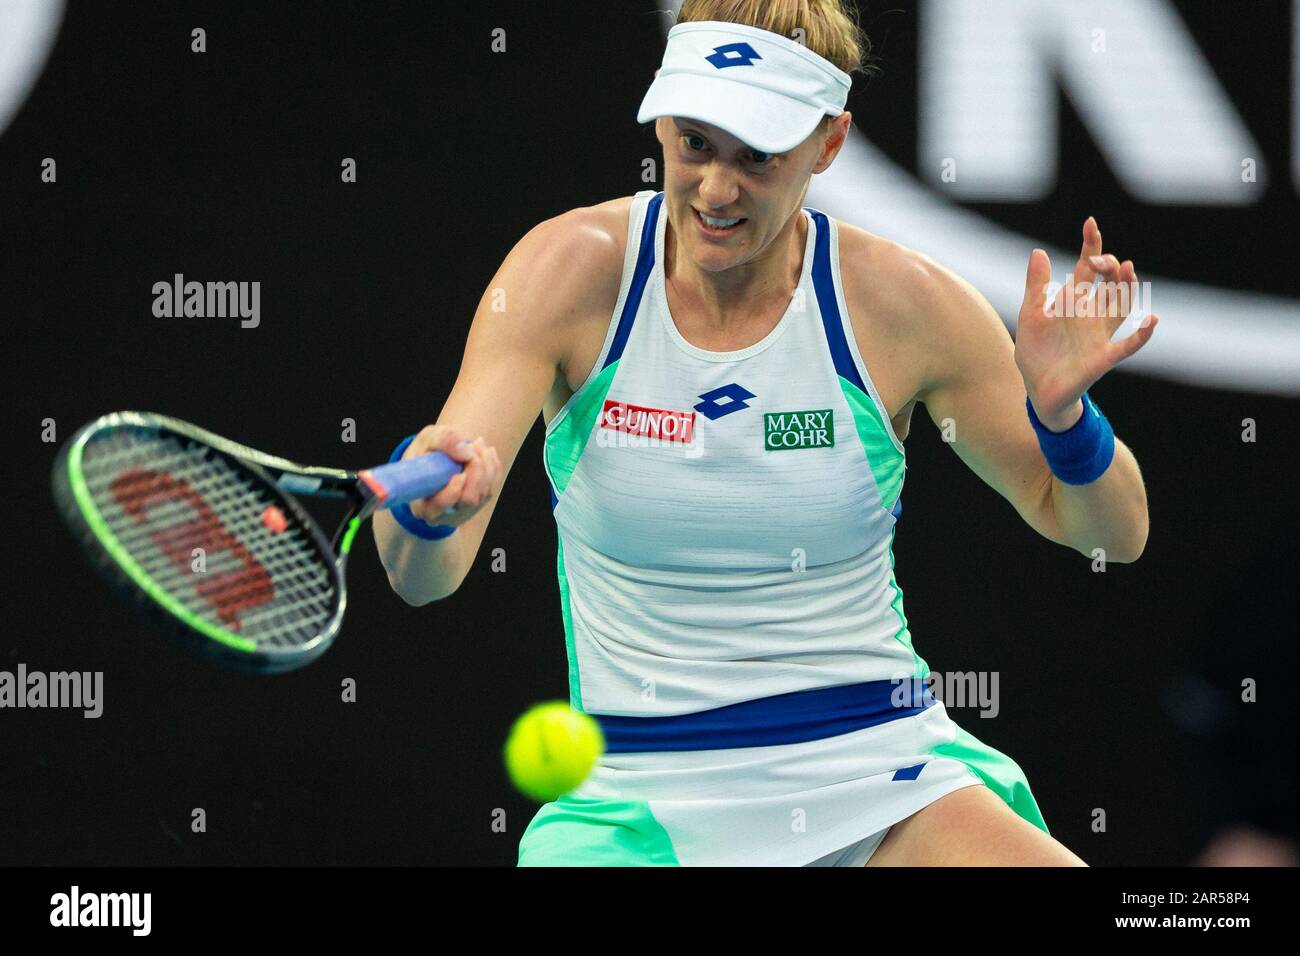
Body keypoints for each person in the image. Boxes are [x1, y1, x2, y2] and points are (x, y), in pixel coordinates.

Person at [373, 0, 1155, 866]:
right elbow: (422, 581)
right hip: (637, 795)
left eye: (758, 156)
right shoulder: (565, 275)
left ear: (829, 143)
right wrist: (428, 516)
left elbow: (1114, 535)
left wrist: (1064, 421)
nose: (715, 188)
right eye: (695, 143)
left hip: (882, 773)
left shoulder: (905, 306)